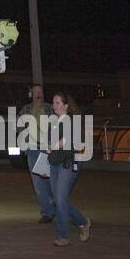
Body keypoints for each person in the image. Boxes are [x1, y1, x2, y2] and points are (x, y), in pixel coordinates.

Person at [46, 92, 91, 247]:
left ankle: (63, 236)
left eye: (58, 102)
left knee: (60, 199)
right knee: (59, 199)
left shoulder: (71, 121)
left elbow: (70, 141)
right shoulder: (53, 122)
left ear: (66, 106)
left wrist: (58, 143)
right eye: (54, 102)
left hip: (68, 164)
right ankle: (83, 222)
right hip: (54, 164)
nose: (55, 105)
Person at [19, 84, 56, 223]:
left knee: (51, 180)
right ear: (31, 94)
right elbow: (19, 127)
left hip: (47, 149)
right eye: (36, 92)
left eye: (40, 91)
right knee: (38, 182)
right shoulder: (25, 109)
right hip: (33, 149)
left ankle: (57, 208)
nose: (38, 94)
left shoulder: (50, 109)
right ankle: (47, 212)